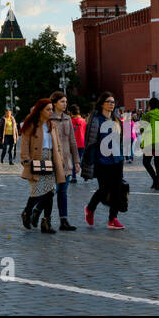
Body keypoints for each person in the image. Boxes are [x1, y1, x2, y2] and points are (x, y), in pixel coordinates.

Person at [18, 97, 64, 232]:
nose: (51, 112)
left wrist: (60, 160)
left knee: (50, 192)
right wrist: (26, 160)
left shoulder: (52, 125)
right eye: (48, 109)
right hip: (36, 160)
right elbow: (25, 143)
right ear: (40, 110)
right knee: (37, 192)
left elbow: (58, 146)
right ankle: (27, 212)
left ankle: (46, 223)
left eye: (52, 109)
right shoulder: (31, 124)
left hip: (50, 159)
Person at [82, 92, 126, 230]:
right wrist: (89, 162)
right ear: (102, 103)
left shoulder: (116, 119)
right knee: (104, 189)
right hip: (102, 160)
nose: (112, 104)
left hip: (117, 159)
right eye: (109, 101)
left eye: (113, 102)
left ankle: (112, 219)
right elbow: (89, 142)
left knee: (117, 190)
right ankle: (90, 208)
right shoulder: (95, 120)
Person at [46, 92, 79, 229]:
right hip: (53, 161)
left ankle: (63, 220)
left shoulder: (67, 119)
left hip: (67, 161)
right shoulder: (48, 119)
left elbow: (72, 141)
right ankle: (39, 214)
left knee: (63, 192)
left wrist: (76, 161)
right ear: (54, 103)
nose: (65, 104)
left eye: (66, 102)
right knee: (52, 191)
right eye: (62, 102)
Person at [139, 97, 159, 191]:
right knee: (158, 162)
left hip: (150, 141)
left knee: (146, 162)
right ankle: (158, 181)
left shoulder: (147, 115)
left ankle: (155, 179)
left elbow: (142, 128)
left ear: (150, 105)